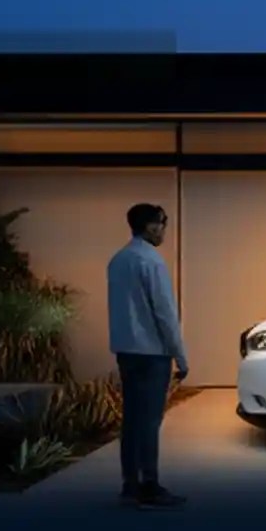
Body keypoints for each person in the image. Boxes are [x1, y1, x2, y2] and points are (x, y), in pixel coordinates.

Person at [107, 203, 188, 509]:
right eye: (162, 224)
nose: (164, 230)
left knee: (131, 420)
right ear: (151, 226)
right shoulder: (151, 262)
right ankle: (149, 486)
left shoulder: (118, 260)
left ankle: (130, 485)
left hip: (126, 351)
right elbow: (165, 314)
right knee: (149, 422)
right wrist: (180, 356)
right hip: (152, 353)